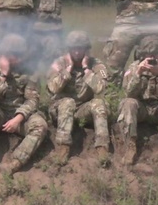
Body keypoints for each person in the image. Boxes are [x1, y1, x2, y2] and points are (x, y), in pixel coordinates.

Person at [0, 34, 47, 178]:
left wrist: (18, 118)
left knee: (40, 125)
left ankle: (15, 164)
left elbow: (32, 100)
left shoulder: (30, 71)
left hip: (19, 116)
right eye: (13, 54)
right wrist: (3, 76)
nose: (18, 58)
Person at [45, 31, 111, 167]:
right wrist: (68, 69)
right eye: (73, 48)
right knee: (68, 102)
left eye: (80, 48)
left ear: (86, 49)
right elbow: (52, 88)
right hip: (60, 108)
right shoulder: (59, 63)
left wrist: (87, 70)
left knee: (98, 103)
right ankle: (63, 148)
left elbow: (101, 89)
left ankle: (102, 149)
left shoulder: (95, 64)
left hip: (81, 109)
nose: (76, 52)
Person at [117, 36, 158, 168]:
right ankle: (130, 147)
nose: (152, 57)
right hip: (142, 109)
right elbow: (128, 93)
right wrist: (138, 74)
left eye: (155, 54)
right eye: (148, 54)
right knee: (128, 102)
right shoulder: (135, 67)